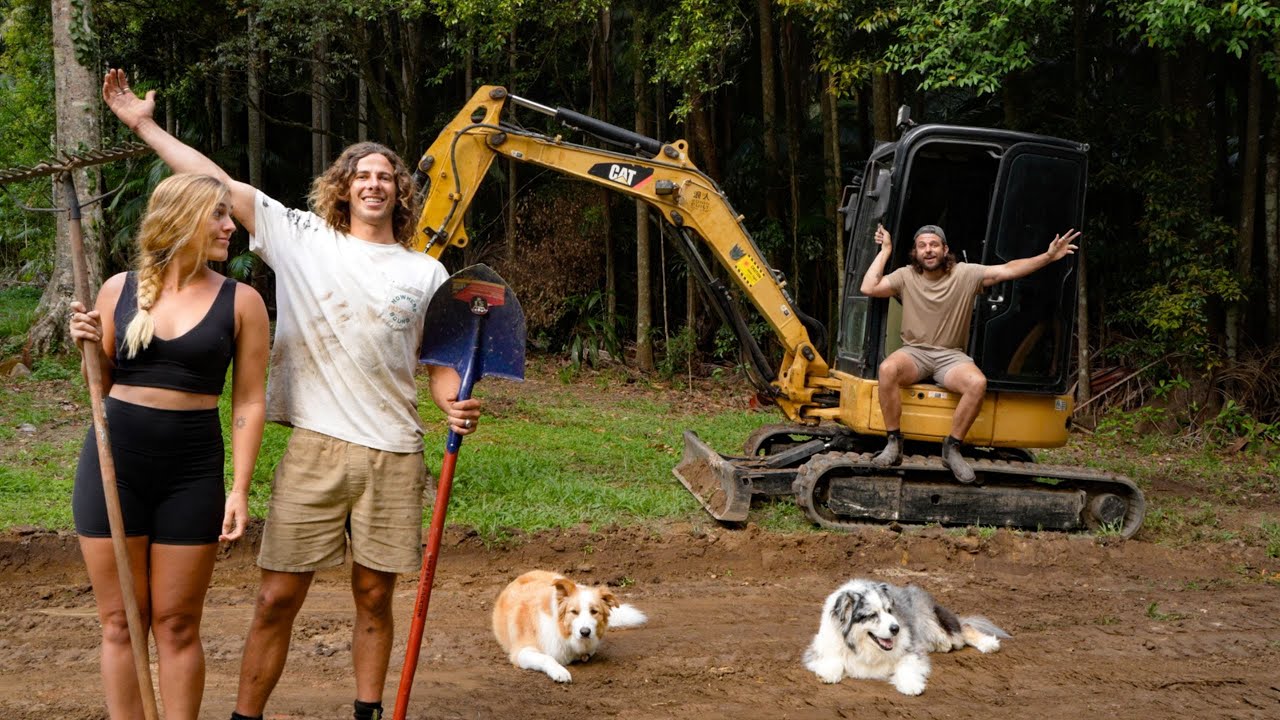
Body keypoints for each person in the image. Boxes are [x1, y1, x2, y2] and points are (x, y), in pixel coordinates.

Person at [102, 69, 482, 720]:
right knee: (276, 597)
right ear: (342, 187)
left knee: (372, 594)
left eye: (384, 176)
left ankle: (366, 711)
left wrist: (452, 399)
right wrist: (143, 125)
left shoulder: (427, 272)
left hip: (392, 450)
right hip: (314, 448)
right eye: (361, 173)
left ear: (400, 194)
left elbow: (438, 356)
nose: (373, 182)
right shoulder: (301, 238)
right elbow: (212, 182)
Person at [68, 173, 271, 720]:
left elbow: (249, 401)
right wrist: (87, 345)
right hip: (115, 465)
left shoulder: (243, 301)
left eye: (231, 215)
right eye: (219, 215)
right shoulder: (119, 289)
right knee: (120, 621)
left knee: (178, 624)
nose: (232, 226)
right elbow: (102, 382)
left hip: (192, 471)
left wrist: (240, 488)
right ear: (182, 219)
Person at [859, 223, 1079, 482]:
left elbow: (1007, 270)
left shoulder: (965, 274)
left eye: (934, 245)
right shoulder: (905, 276)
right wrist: (885, 250)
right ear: (915, 252)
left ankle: (952, 447)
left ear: (945, 249)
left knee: (977, 382)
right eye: (922, 246)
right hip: (915, 352)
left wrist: (1048, 256)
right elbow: (869, 287)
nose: (928, 250)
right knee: (887, 370)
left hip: (950, 356)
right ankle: (894, 443)